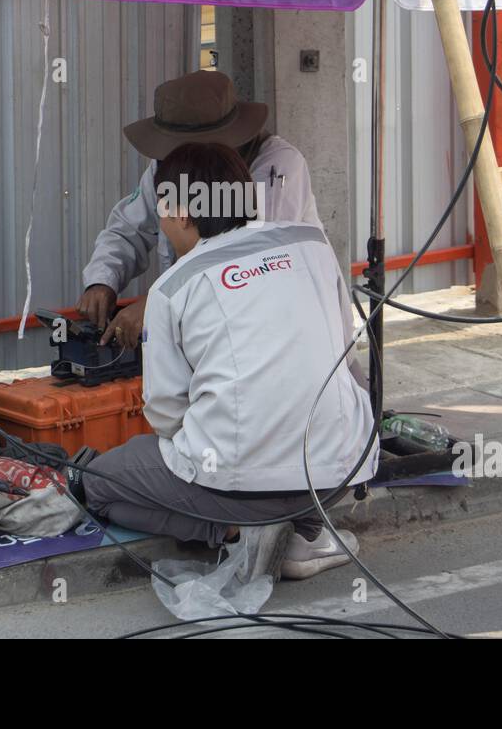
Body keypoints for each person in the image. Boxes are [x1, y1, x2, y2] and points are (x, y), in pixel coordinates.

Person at [83, 143, 377, 581]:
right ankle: (307, 535)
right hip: (342, 468)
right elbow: (338, 346)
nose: (162, 225)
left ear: (180, 214)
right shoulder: (312, 245)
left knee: (99, 483)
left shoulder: (172, 287)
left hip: (238, 485)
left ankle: (235, 530)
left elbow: (166, 416)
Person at [77, 70, 320, 349]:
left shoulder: (278, 167)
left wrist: (159, 303)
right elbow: (129, 229)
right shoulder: (165, 166)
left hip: (284, 336)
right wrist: (101, 280)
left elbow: (246, 255)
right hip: (208, 336)